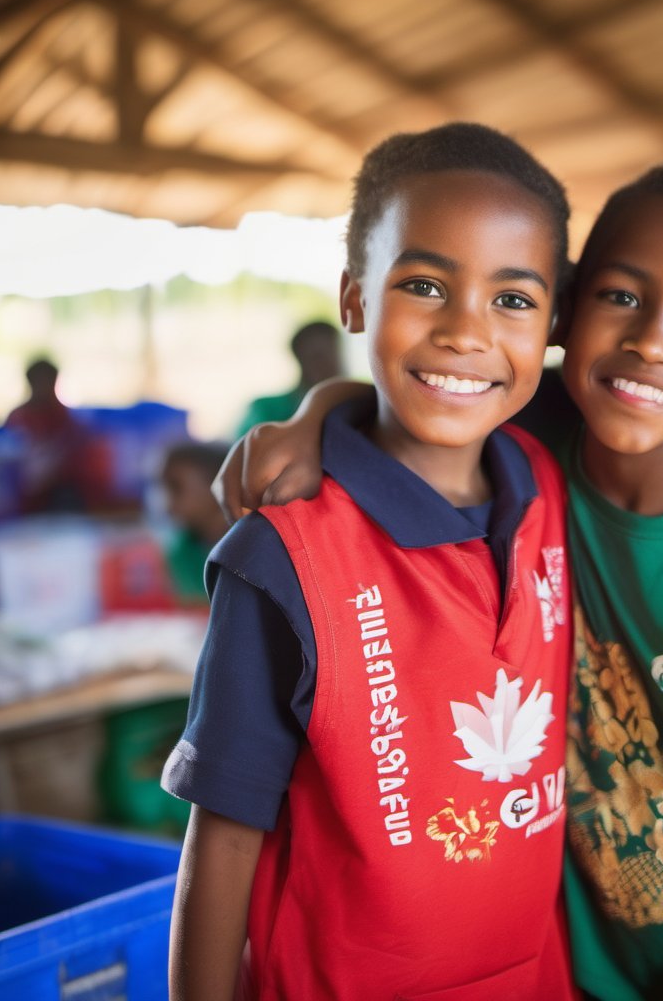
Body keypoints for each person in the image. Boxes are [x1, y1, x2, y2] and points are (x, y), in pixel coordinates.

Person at [218, 158, 663, 1000]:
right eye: (622, 297)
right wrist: (321, 411)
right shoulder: (529, 461)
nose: (651, 342)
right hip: (582, 965)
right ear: (567, 311)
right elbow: (428, 385)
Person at [161, 123, 578, 1000]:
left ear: (551, 326)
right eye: (424, 285)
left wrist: (323, 404)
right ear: (355, 302)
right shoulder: (286, 556)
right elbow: (224, 834)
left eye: (512, 300)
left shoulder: (549, 480)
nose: (467, 331)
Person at [3, 356, 91, 512]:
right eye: (40, 381)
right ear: (30, 382)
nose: (44, 386)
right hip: (26, 493)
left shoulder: (66, 417)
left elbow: (77, 453)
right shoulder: (18, 417)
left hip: (61, 492)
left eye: (48, 380)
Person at [234, 319, 343, 435]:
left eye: (335, 354)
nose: (330, 363)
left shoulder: (353, 405)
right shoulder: (266, 409)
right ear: (300, 359)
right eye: (318, 356)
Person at [159, 441, 231, 606]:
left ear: (217, 485)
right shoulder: (180, 550)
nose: (166, 504)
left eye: (176, 488)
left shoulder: (254, 545)